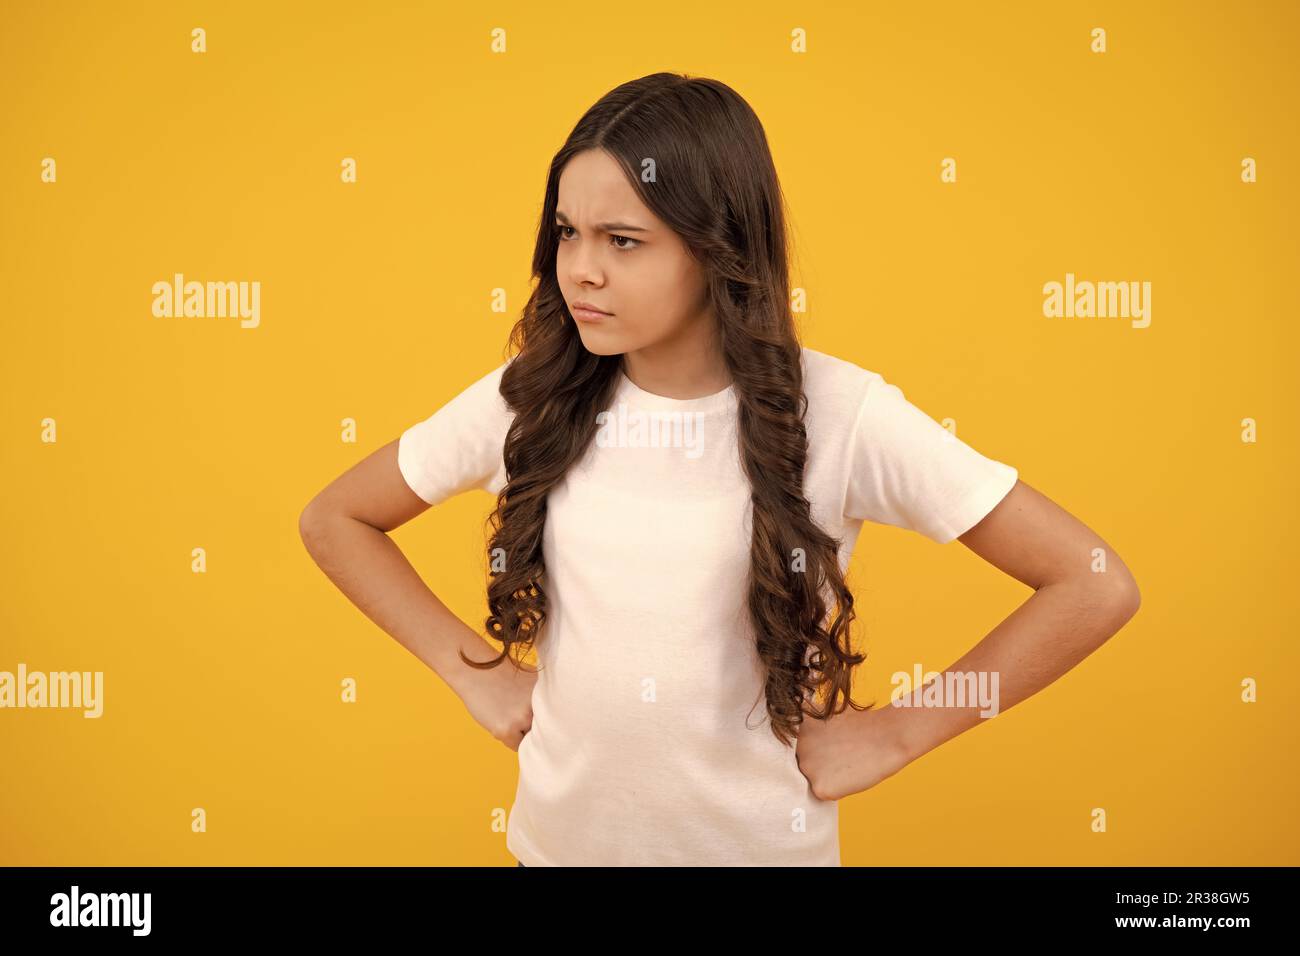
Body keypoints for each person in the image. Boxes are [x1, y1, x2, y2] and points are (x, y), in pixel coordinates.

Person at [298, 72, 1141, 867]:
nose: (581, 269)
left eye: (624, 241)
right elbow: (335, 518)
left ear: (717, 249)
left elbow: (1092, 582)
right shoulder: (532, 398)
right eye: (567, 232)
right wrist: (470, 674)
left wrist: (898, 734)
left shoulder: (843, 413)